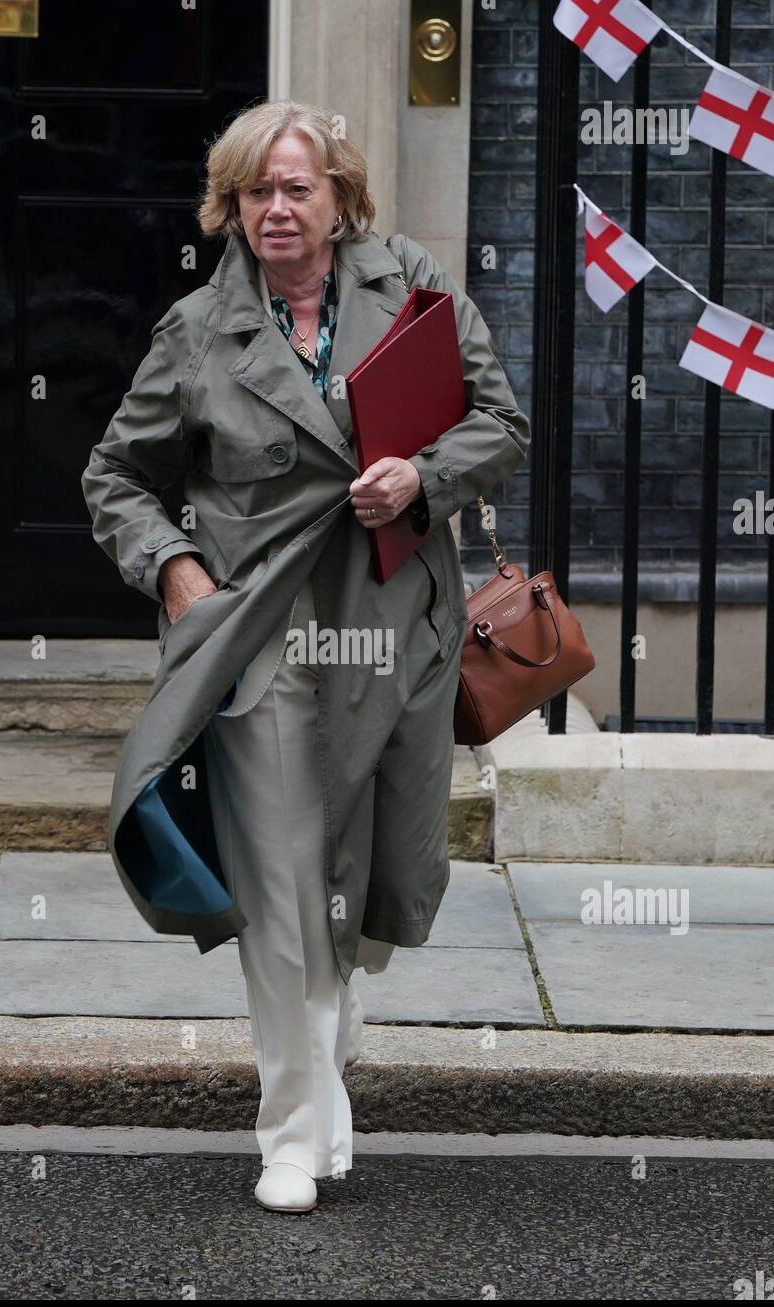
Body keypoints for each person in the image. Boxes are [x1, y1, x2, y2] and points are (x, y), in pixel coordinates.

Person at [82, 99, 530, 1215]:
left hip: (396, 627)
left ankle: (320, 1085)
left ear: (339, 197)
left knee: (368, 893)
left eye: (295, 188)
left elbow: (501, 424)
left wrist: (424, 477)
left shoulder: (413, 283)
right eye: (252, 192)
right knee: (285, 894)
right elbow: (116, 478)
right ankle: (291, 1130)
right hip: (267, 631)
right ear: (229, 208)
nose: (274, 210)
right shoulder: (198, 328)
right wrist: (179, 570)